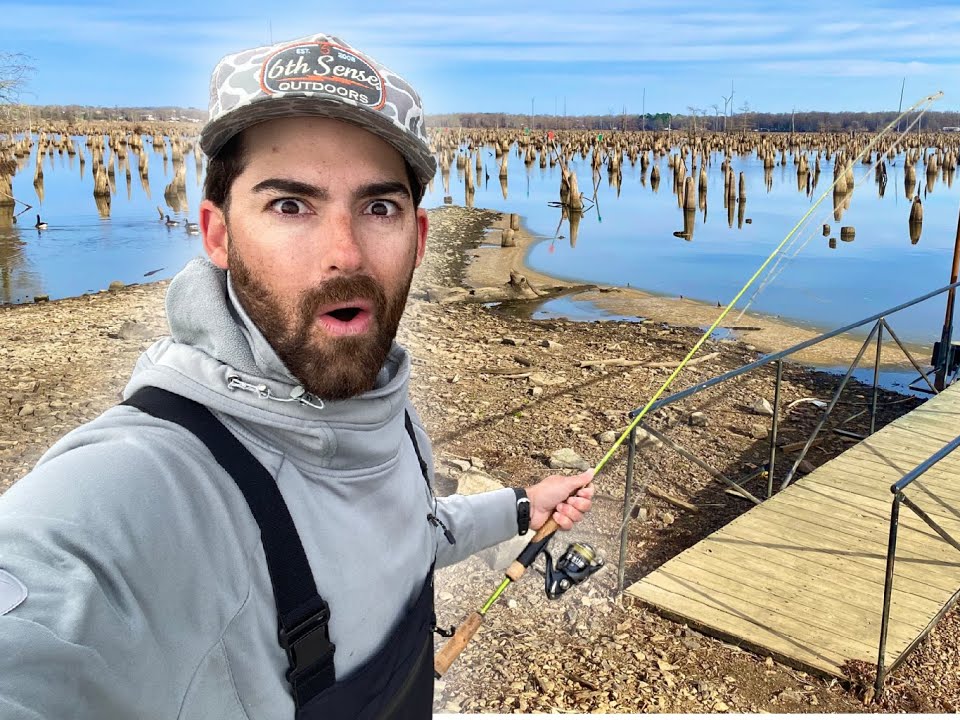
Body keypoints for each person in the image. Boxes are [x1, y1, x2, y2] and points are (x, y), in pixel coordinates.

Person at [0, 33, 594, 719]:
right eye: (290, 205)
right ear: (217, 234)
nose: (345, 254)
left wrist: (520, 507)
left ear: (420, 240)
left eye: (379, 207)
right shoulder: (145, 482)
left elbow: (403, 537)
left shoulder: (388, 410)